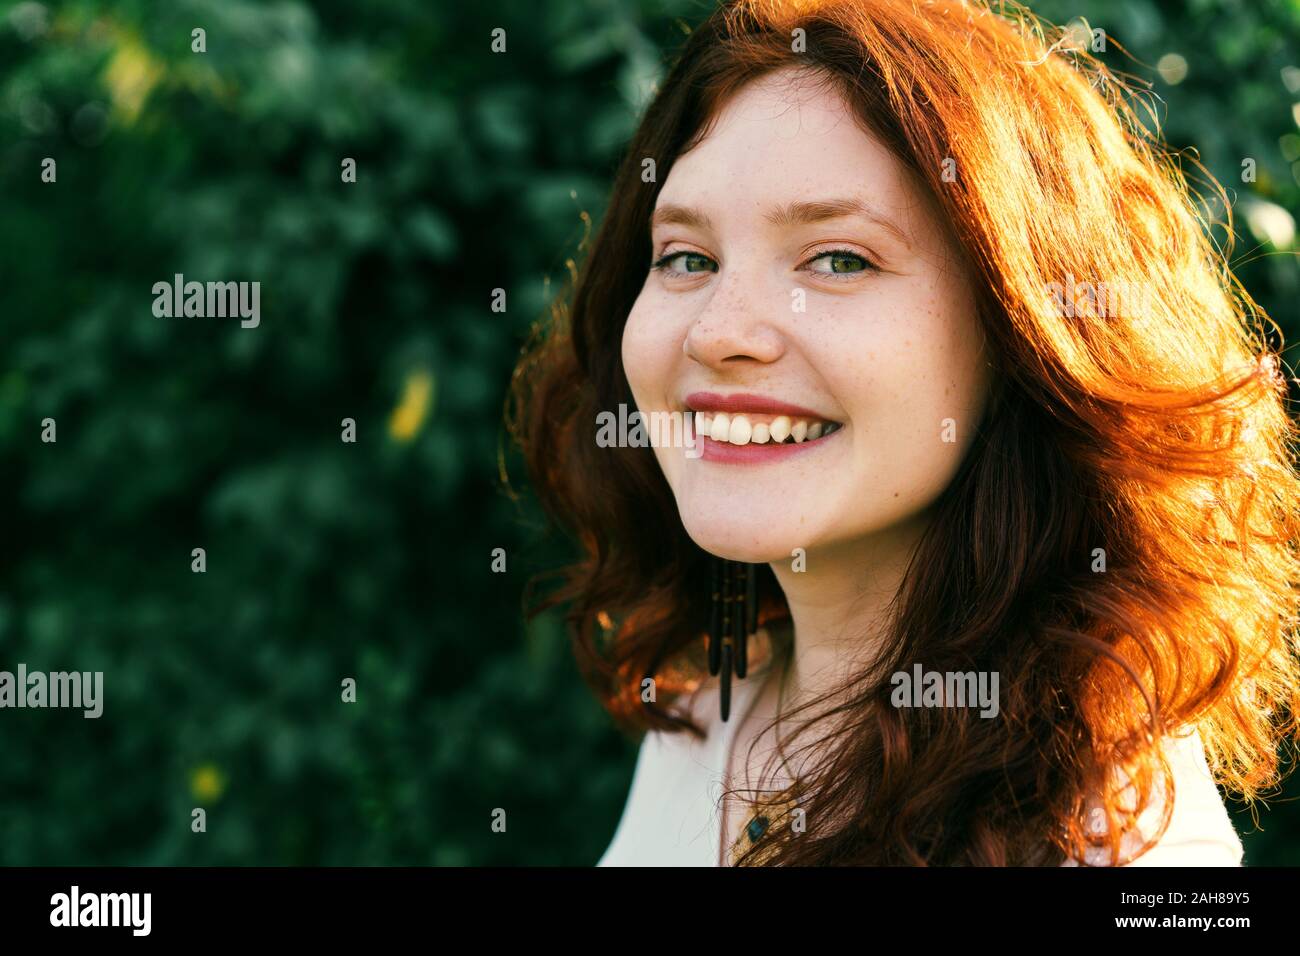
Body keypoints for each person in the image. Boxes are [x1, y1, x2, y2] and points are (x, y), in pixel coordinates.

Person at [508, 0, 1300, 865]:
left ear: (1023, 334)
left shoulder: (1114, 835)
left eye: (840, 258)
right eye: (686, 259)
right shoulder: (707, 715)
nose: (716, 332)